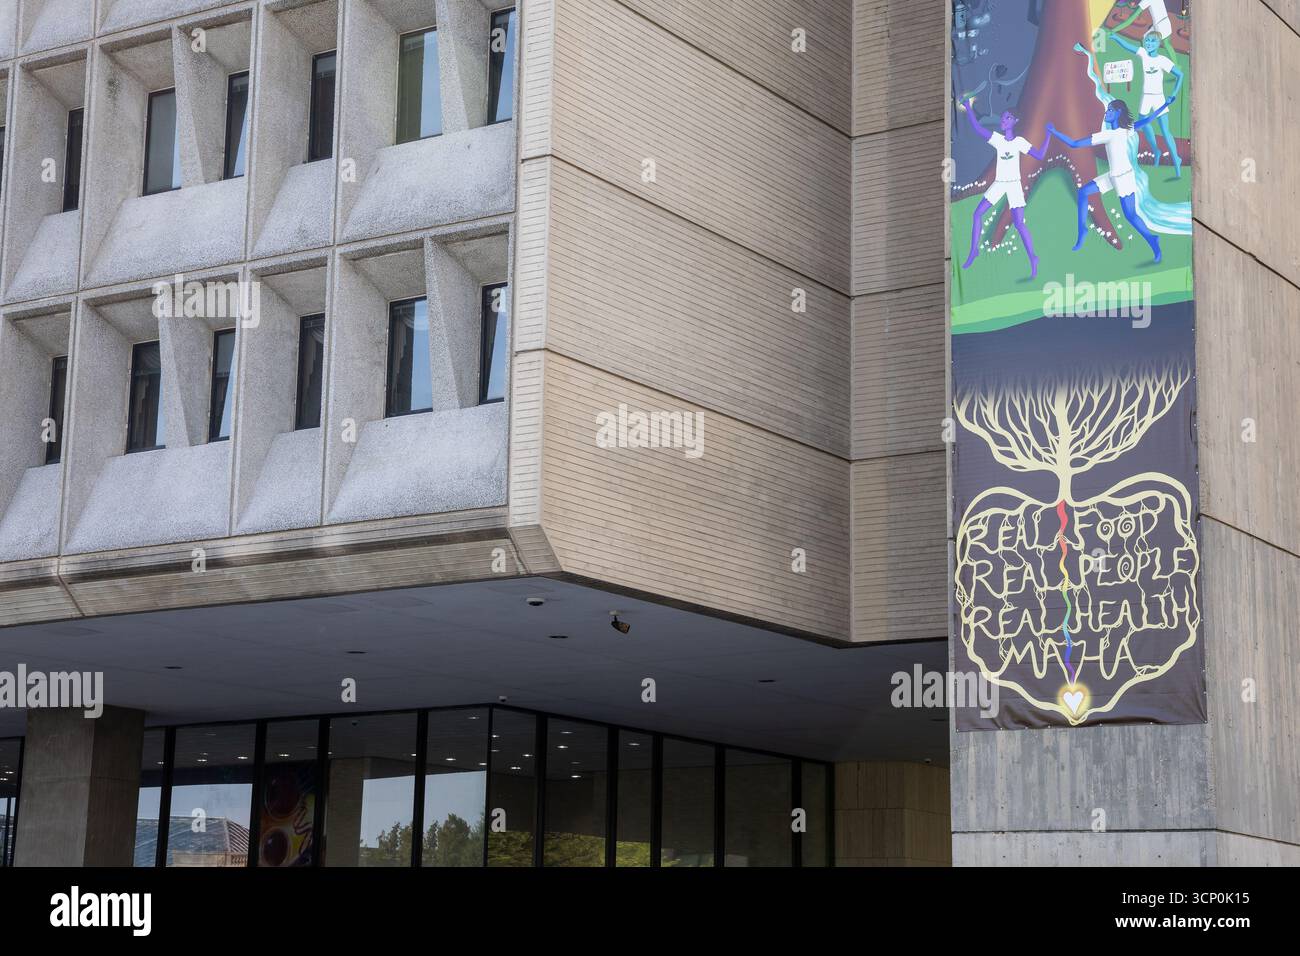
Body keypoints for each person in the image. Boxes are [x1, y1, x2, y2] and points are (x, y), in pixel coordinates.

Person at [1048, 96, 1174, 263]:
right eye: (1107, 110)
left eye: (1110, 111)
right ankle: (1083, 230)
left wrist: (1055, 132)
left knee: (1131, 216)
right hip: (1112, 176)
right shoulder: (1113, 133)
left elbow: (1074, 144)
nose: (1106, 113)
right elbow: (1074, 144)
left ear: (1118, 112)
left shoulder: (1114, 133)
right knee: (1084, 192)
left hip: (1123, 178)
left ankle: (1153, 240)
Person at [959, 97, 1050, 278]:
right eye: (1003, 117)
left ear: (1015, 121)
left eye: (1007, 118)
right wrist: (968, 107)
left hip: (1014, 185)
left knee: (1019, 224)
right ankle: (973, 251)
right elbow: (977, 129)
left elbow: (1039, 155)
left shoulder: (1020, 142)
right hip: (999, 184)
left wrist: (1048, 135)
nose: (1003, 120)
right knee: (977, 214)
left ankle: (1033, 258)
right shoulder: (998, 139)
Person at [1109, 28, 1183, 176]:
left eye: (1153, 41)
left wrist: (1173, 95)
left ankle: (1177, 161)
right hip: (1146, 97)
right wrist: (1116, 38)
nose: (1149, 43)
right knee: (1144, 125)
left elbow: (1180, 75)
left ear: (1159, 43)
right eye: (1147, 41)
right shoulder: (1143, 53)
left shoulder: (1162, 60)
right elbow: (1128, 46)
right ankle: (1156, 150)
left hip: (1159, 98)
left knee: (1165, 131)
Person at [1112, 0, 1178, 60]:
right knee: (1146, 39)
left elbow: (1130, 19)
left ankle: (1176, 65)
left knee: (1166, 44)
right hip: (1161, 22)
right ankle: (1147, 58)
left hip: (1160, 25)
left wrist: (1114, 30)